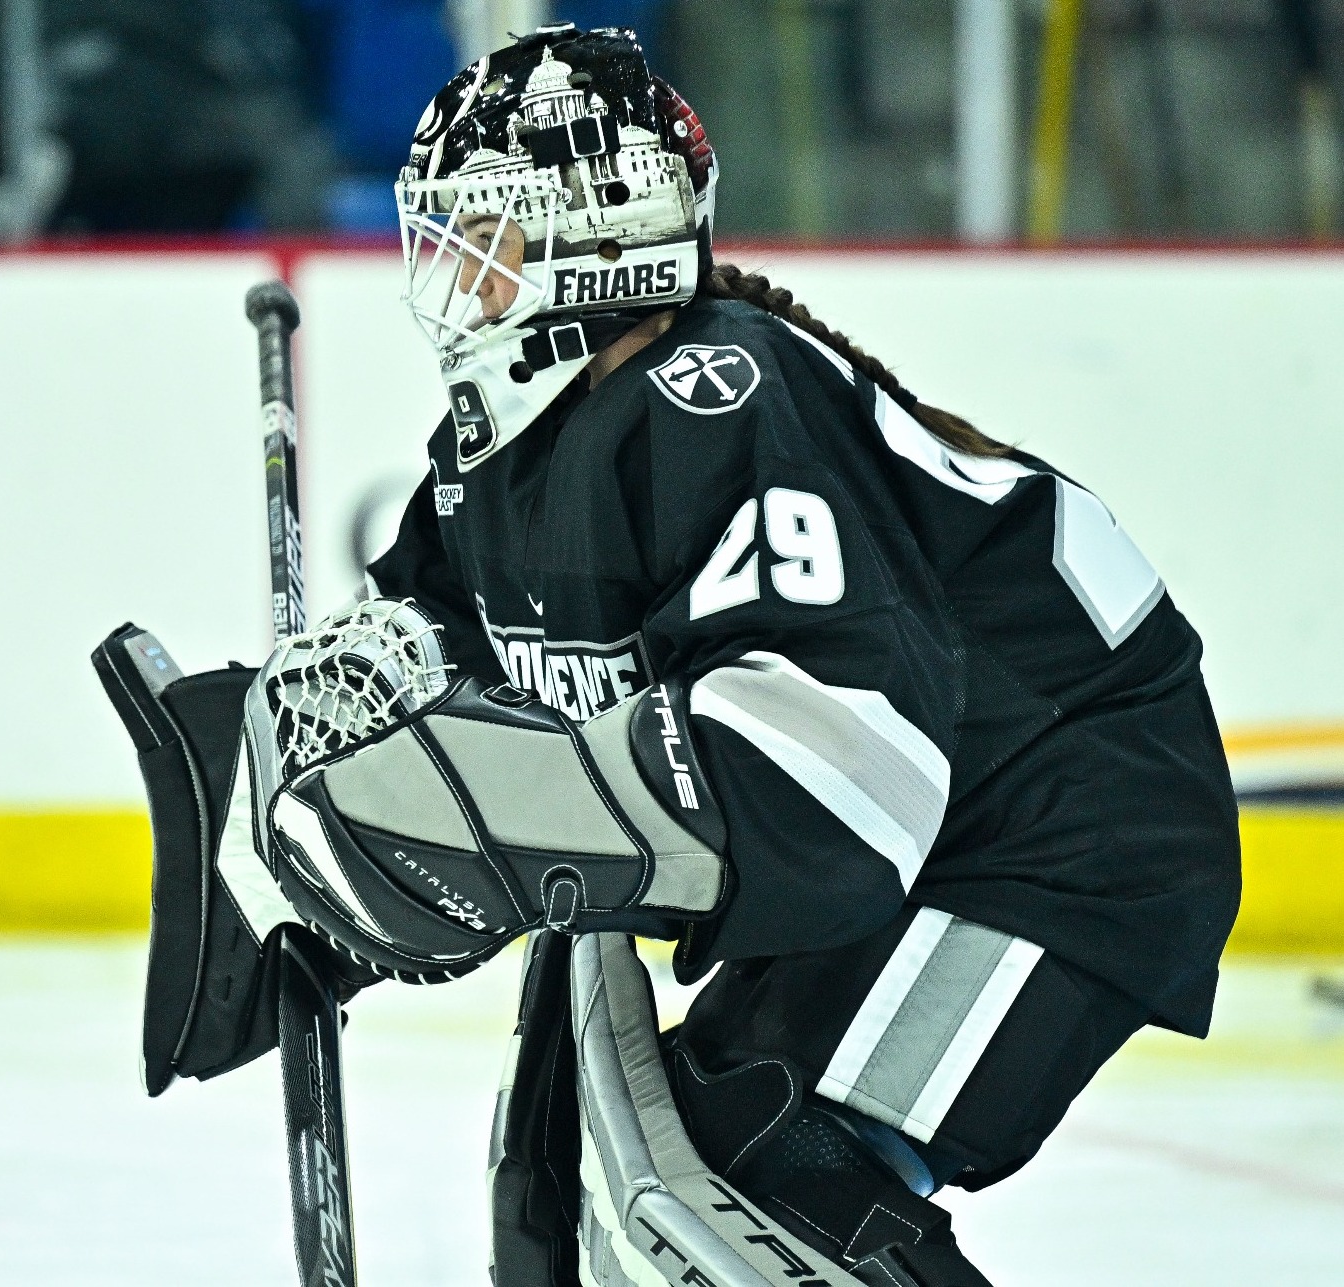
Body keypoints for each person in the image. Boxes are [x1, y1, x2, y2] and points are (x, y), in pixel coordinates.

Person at [233, 22, 1240, 1287]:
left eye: (481, 235)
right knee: (675, 1162)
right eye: (442, 235)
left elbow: (835, 763)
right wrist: (302, 841)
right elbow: (424, 670)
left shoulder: (721, 394)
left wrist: (461, 827)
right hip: (928, 833)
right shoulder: (504, 449)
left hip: (1067, 828)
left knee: (780, 1186)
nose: (449, 272)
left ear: (590, 246)